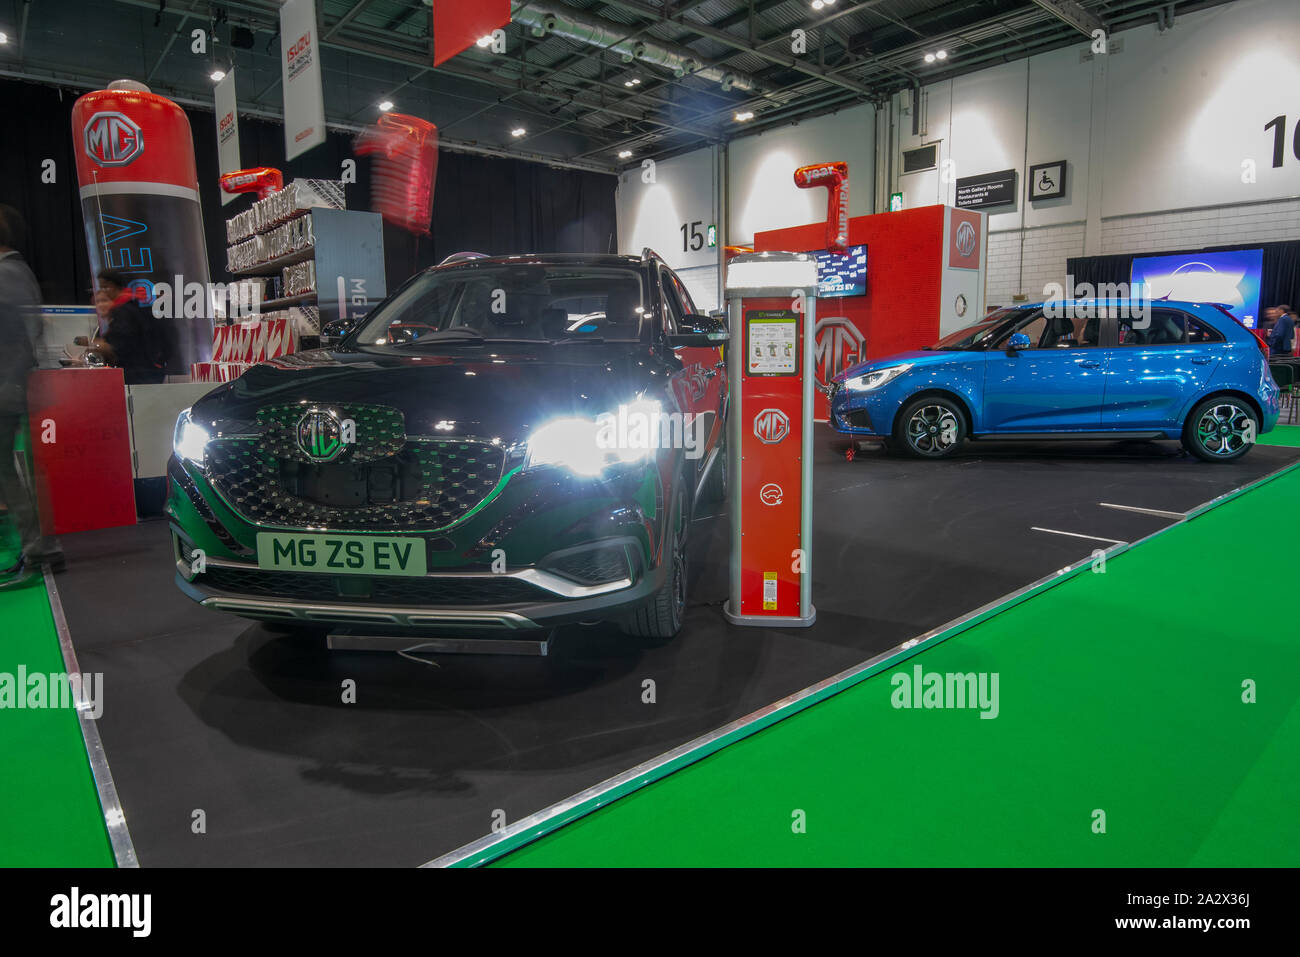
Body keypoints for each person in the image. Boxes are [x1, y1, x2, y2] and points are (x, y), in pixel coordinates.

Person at [0, 204, 64, 583]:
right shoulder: (17, 271)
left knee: (9, 471)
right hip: (15, 384)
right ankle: (42, 549)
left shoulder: (7, 275)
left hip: (8, 387)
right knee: (20, 470)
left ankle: (37, 550)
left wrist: (7, 383)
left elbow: (21, 338)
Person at [75, 270, 169, 384]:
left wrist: (91, 343)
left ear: (115, 287)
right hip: (147, 373)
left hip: (138, 376)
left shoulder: (123, 311)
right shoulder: (133, 306)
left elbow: (117, 346)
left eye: (105, 287)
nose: (103, 292)